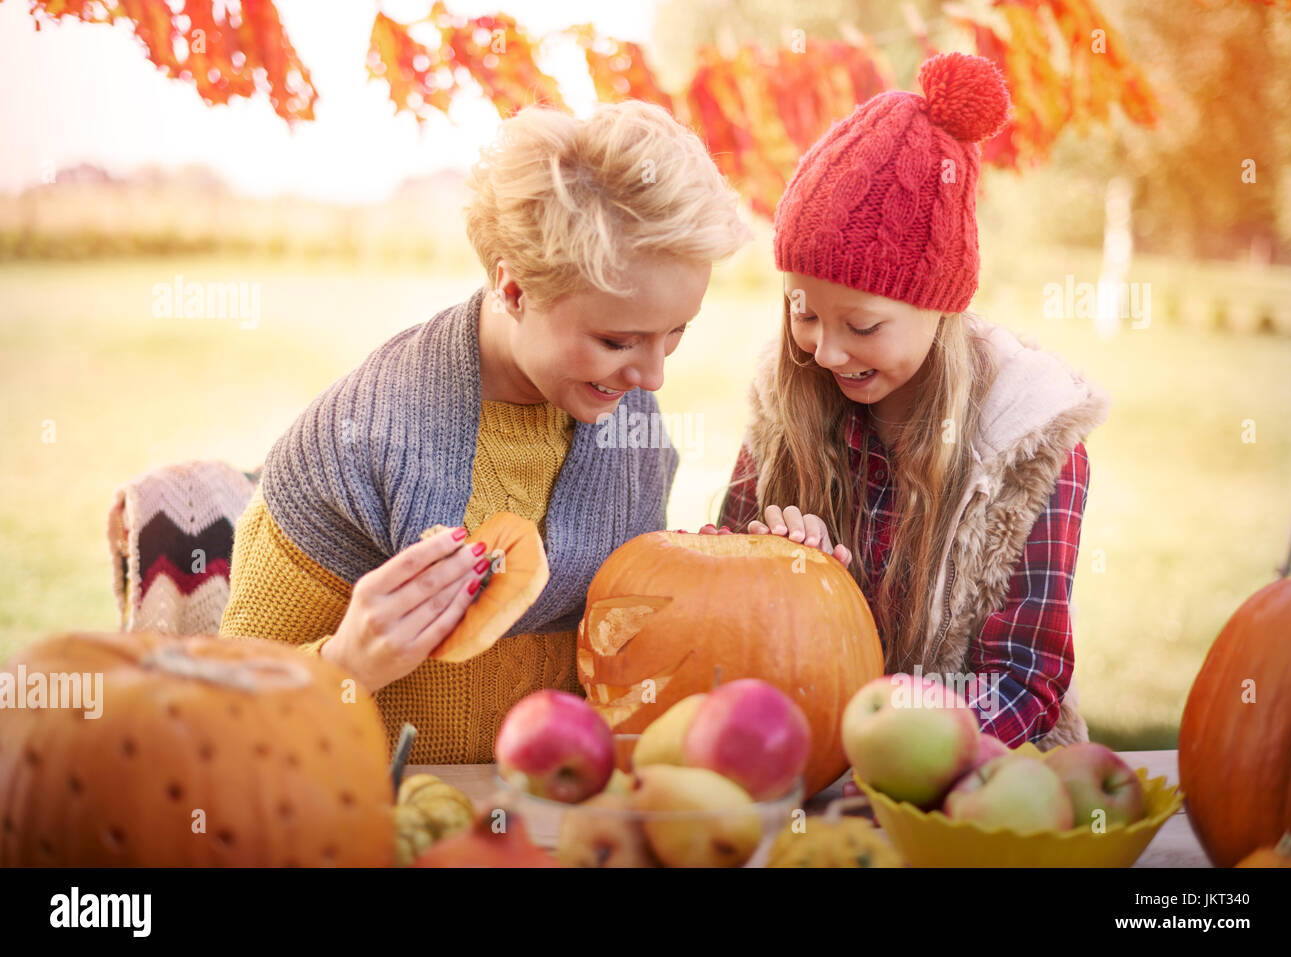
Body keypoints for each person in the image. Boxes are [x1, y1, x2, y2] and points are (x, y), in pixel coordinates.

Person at [219, 99, 751, 763]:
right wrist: (350, 663)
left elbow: (624, 663)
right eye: (618, 339)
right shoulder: (354, 446)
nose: (652, 377)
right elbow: (226, 721)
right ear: (517, 289)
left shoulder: (629, 433)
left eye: (675, 334)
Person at [714, 52, 1112, 750]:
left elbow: (1026, 682)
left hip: (974, 791)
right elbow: (707, 602)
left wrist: (893, 752)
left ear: (941, 306)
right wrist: (770, 571)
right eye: (803, 314)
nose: (824, 353)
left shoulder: (1028, 444)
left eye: (861, 326)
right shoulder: (790, 409)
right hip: (801, 768)